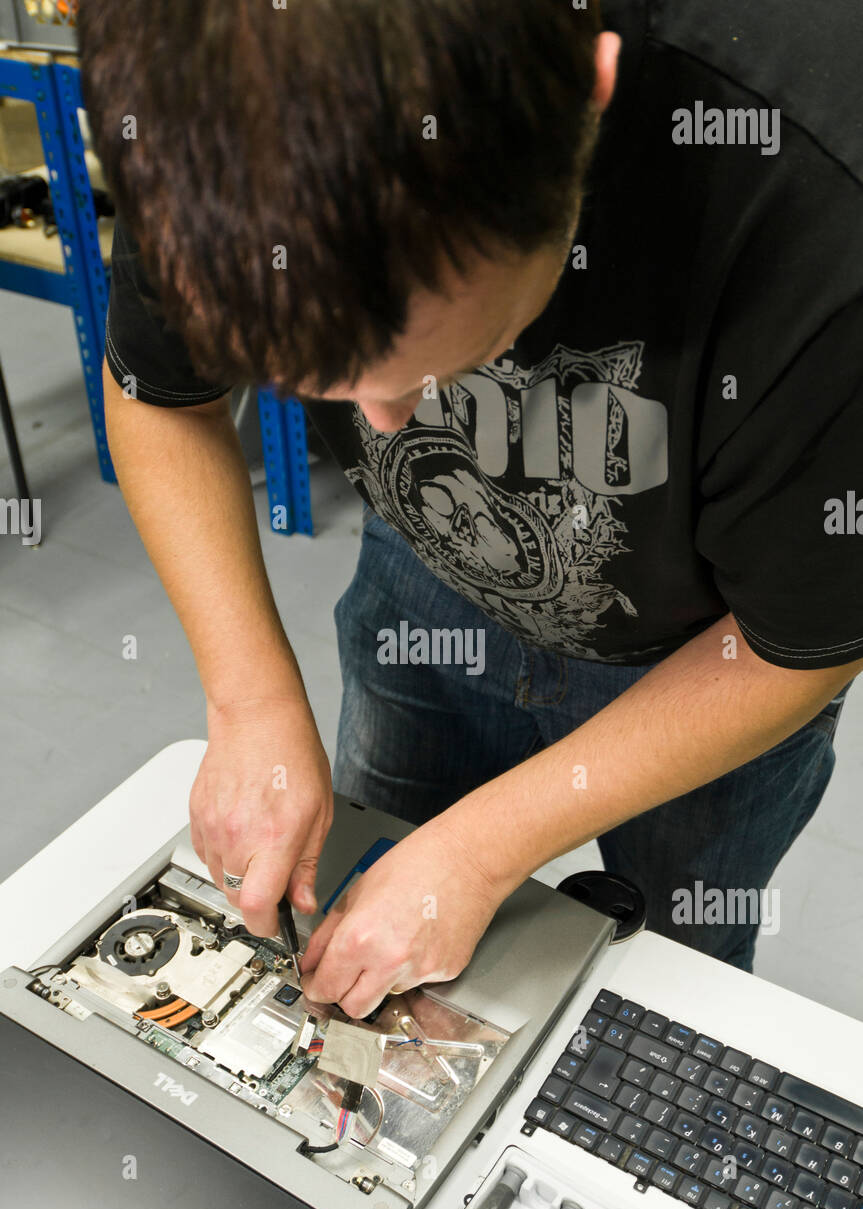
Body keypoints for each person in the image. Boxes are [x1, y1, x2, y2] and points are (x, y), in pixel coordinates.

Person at [78, 1, 863, 1019]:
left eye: (441, 363)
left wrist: (485, 847)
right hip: (424, 589)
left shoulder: (813, 196)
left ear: (587, 93)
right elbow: (157, 393)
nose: (389, 424)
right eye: (316, 386)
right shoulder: (207, 93)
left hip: (711, 658)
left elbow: (795, 644)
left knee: (667, 983)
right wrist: (249, 699)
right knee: (371, 903)